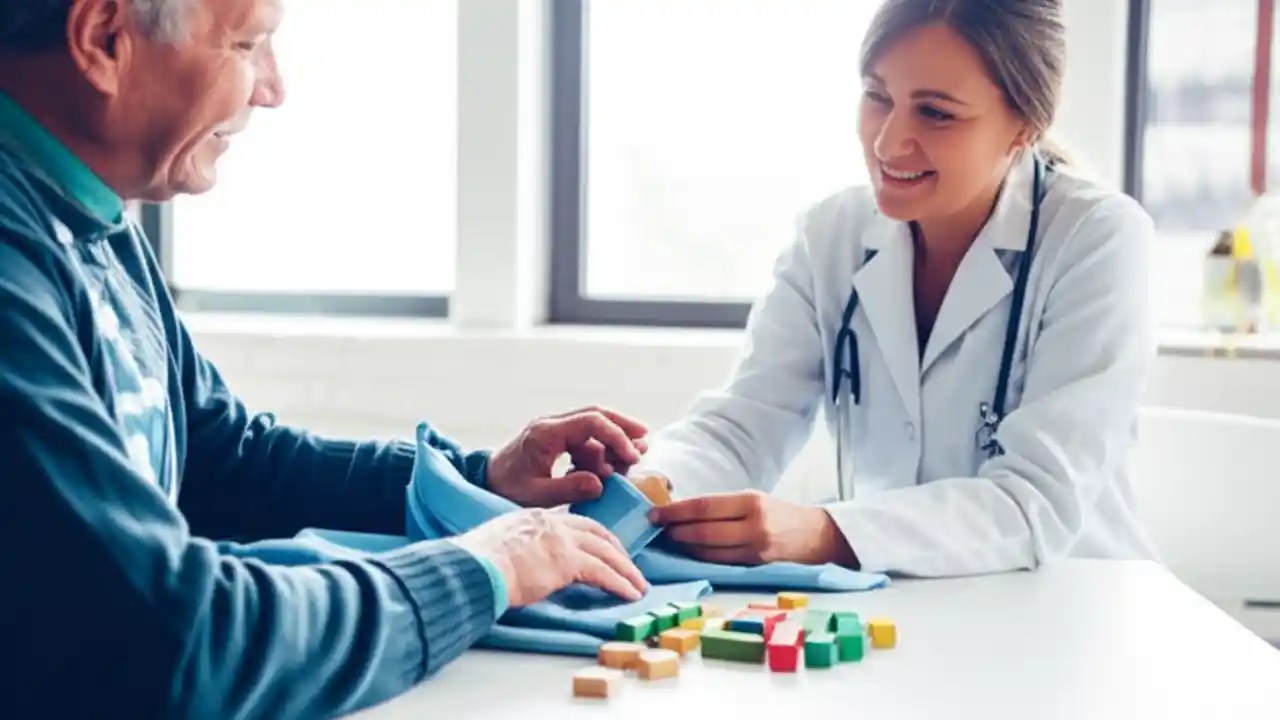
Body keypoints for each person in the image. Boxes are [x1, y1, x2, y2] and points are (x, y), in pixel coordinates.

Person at [0, 1, 649, 718]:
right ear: (102, 38)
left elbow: (225, 463)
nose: (272, 89)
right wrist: (484, 568)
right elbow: (172, 639)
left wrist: (479, 481)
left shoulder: (88, 213)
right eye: (248, 45)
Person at [638, 0, 1161, 578]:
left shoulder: (1096, 239)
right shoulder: (830, 235)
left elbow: (1034, 502)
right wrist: (648, 492)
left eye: (935, 113)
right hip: (898, 605)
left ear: (1025, 126)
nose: (888, 143)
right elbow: (742, 428)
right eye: (877, 96)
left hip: (1072, 606)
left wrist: (823, 531)